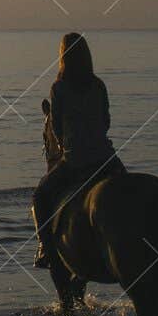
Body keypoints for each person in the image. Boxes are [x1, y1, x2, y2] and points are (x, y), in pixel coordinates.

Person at [32, 32, 122, 268]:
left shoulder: (59, 88)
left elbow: (57, 128)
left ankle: (44, 248)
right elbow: (106, 122)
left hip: (76, 161)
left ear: (63, 57)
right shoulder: (98, 85)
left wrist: (66, 145)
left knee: (40, 196)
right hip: (106, 159)